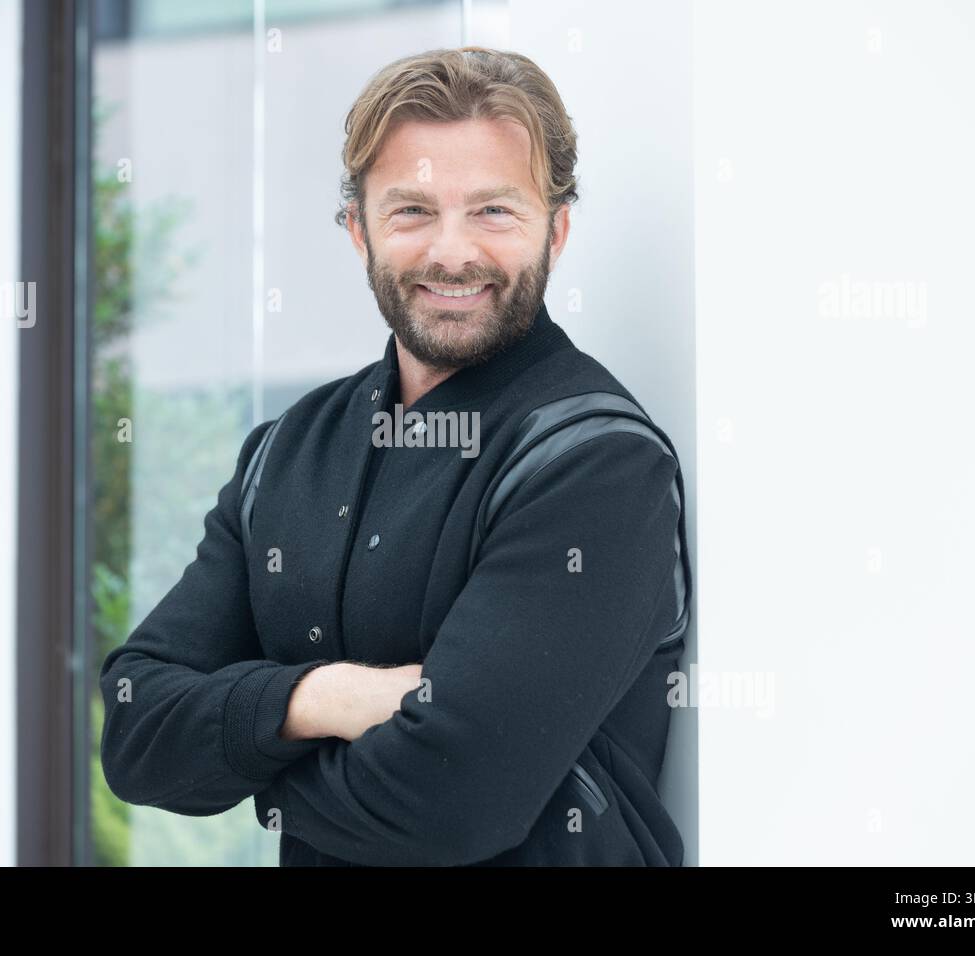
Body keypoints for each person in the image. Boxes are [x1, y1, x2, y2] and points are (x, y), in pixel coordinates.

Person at [99, 46, 688, 867]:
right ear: (357, 229)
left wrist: (258, 768)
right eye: (412, 210)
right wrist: (325, 697)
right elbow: (137, 730)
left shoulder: (596, 463)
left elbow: (452, 800)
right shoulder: (285, 451)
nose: (453, 254)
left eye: (494, 212)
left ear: (554, 230)